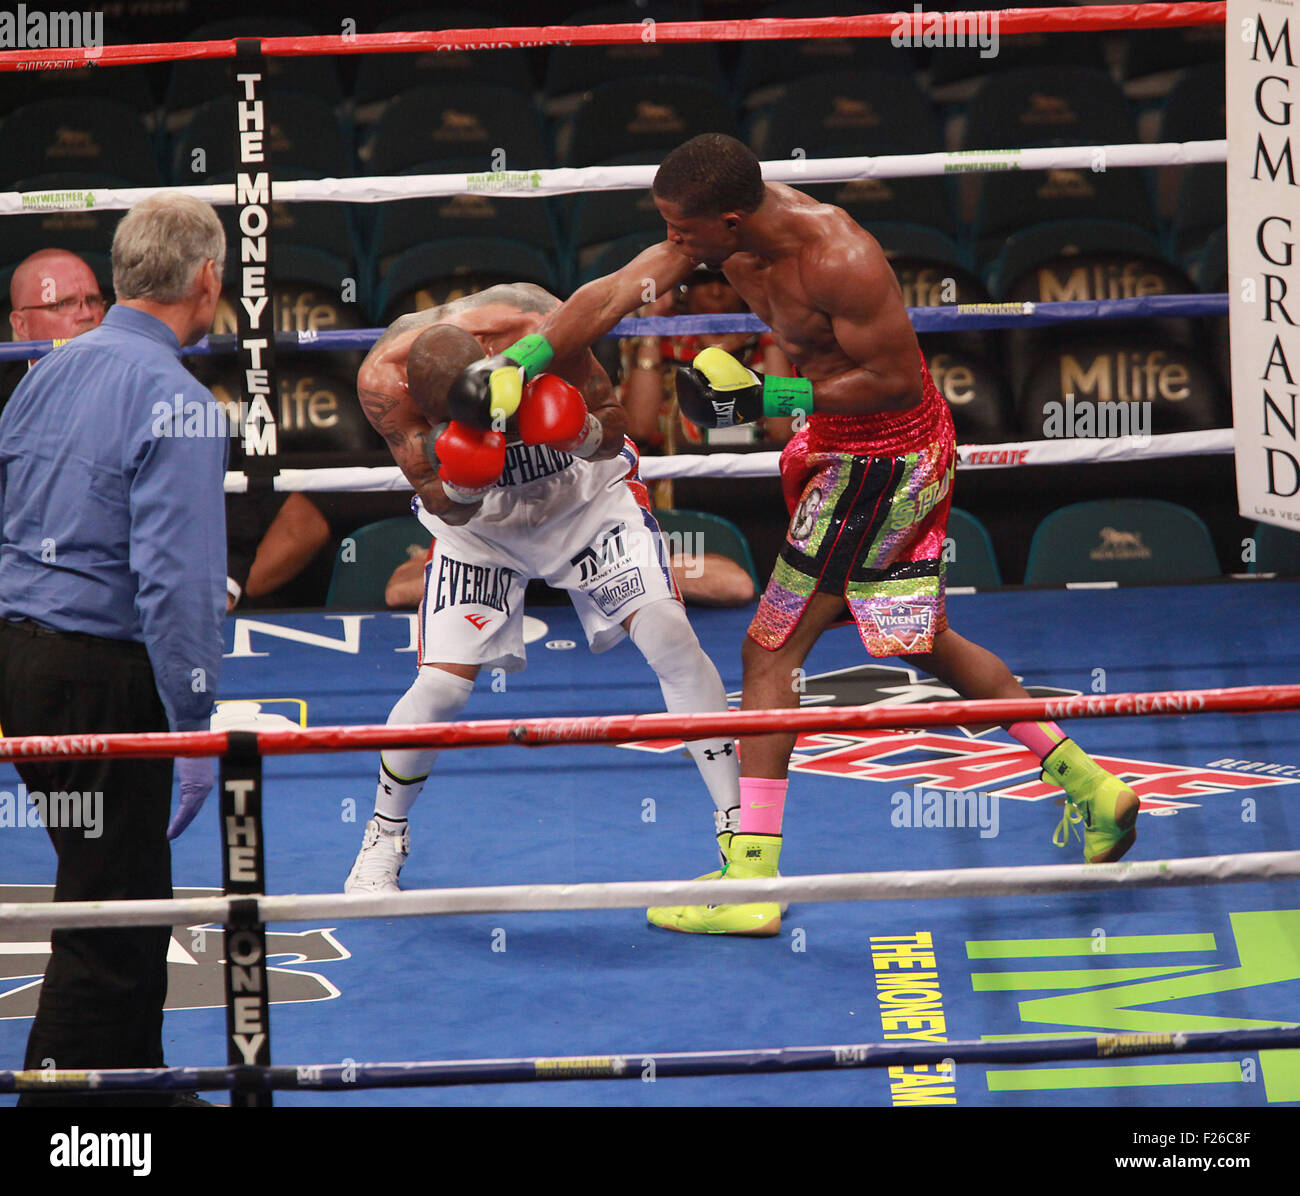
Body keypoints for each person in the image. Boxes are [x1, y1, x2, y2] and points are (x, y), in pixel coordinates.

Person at [448, 133, 1141, 936]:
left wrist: (762, 396)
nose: (672, 242)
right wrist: (523, 362)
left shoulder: (839, 257)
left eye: (682, 229)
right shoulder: (714, 239)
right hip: (857, 457)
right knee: (925, 642)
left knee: (769, 652)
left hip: (881, 459)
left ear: (732, 220)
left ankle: (751, 882)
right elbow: (610, 295)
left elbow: (894, 380)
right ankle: (1092, 786)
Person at [343, 282, 742, 893]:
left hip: (584, 499)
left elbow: (614, 428)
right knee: (441, 689)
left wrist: (574, 430)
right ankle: (384, 837)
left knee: (669, 634)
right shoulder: (384, 383)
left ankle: (738, 831)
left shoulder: (540, 329)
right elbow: (435, 498)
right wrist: (469, 481)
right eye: (444, 421)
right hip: (480, 531)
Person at [0, 193, 229, 1103]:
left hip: (27, 660)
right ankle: (64, 1122)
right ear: (207, 279)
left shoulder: (48, 372)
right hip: (101, 674)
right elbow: (177, 585)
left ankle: (135, 1088)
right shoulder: (178, 400)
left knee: (127, 897)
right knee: (109, 916)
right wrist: (192, 722)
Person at [622, 264, 795, 457]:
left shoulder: (772, 341)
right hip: (678, 474)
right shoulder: (665, 342)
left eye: (727, 282)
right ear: (683, 288)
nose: (716, 292)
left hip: (759, 474)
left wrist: (766, 320)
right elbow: (639, 430)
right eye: (703, 281)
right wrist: (653, 324)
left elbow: (784, 434)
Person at [3, 249, 107, 412]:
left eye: (93, 300)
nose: (87, 314)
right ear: (21, 326)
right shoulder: (5, 393)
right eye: (63, 304)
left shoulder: (131, 379)